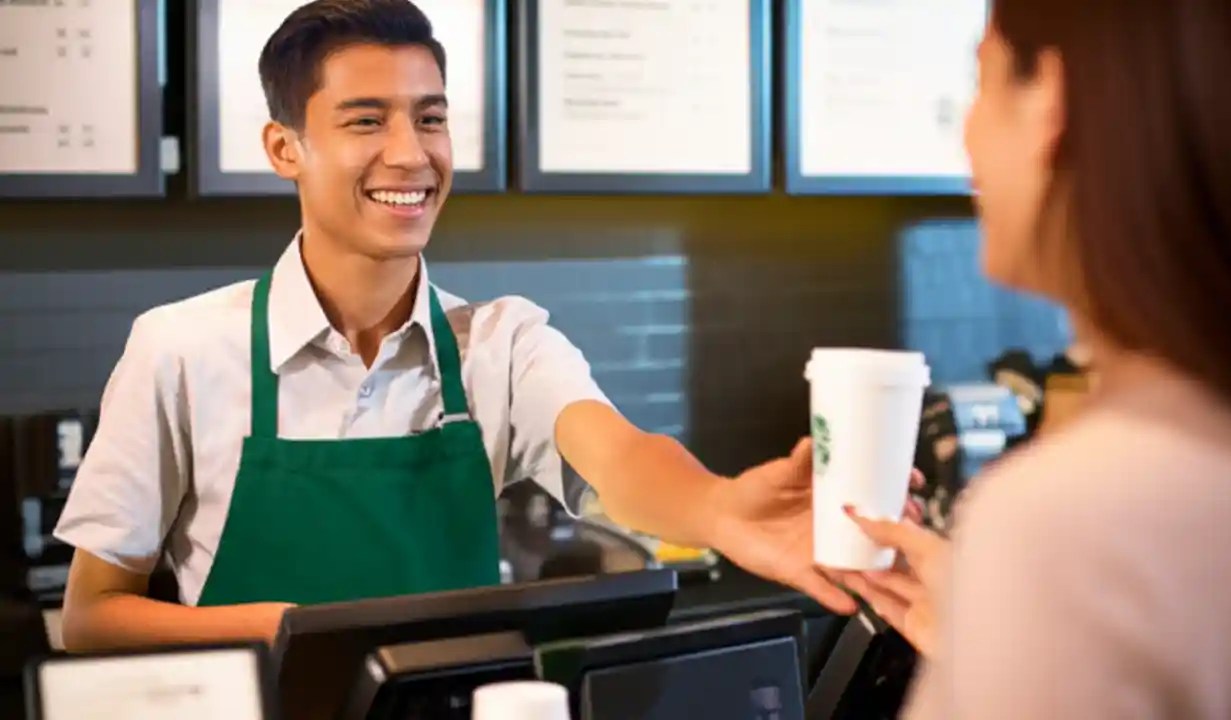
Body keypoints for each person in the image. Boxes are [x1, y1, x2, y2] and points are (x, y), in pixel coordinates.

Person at [53, 0, 858, 652]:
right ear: (284, 147)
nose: (410, 154)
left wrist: (721, 508)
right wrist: (296, 632)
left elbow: (623, 459)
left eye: (429, 118)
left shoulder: (501, 344)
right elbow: (92, 616)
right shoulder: (182, 349)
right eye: (366, 122)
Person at [838, 0, 1231, 716]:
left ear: (1049, 99)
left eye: (979, 85)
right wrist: (998, 638)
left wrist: (1029, 602)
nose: (968, 137)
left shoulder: (1068, 523)